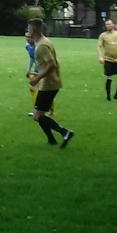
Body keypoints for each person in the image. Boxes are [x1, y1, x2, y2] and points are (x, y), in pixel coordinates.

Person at [26, 19, 75, 148]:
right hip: (49, 82)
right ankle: (51, 140)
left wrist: (37, 78)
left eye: (29, 29)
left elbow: (52, 64)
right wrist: (37, 75)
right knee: (39, 114)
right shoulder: (43, 42)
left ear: (34, 30)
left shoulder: (42, 45)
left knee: (37, 115)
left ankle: (65, 132)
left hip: (49, 84)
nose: (27, 31)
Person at [96, 18, 117, 101]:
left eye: (109, 24)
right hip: (108, 60)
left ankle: (116, 95)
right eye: (106, 24)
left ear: (113, 25)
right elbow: (99, 46)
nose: (107, 26)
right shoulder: (103, 35)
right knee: (109, 78)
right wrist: (100, 57)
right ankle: (108, 96)